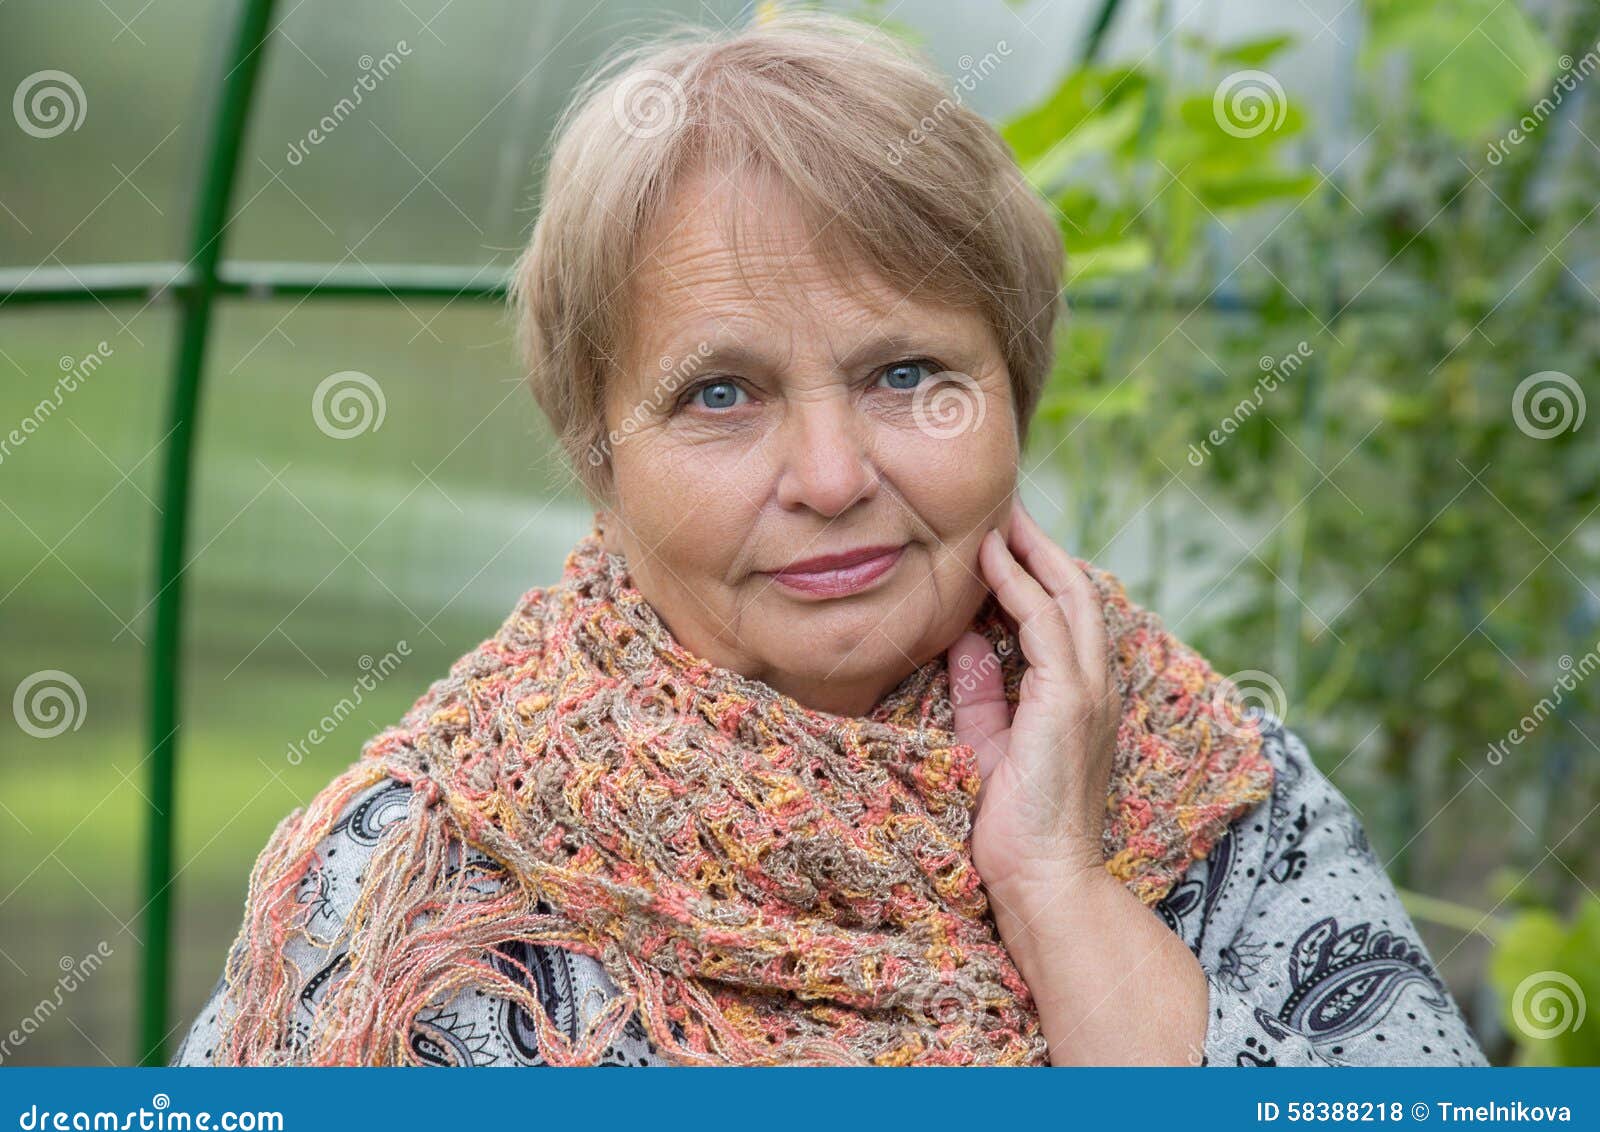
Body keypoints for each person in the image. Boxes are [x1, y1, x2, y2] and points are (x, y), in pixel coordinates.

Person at [172, 10, 1488, 1068]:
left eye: (908, 372)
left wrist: (1064, 889)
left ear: (1014, 393)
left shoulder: (1218, 794)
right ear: (597, 453)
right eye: (720, 394)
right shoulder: (417, 871)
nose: (830, 475)